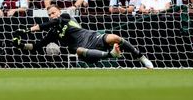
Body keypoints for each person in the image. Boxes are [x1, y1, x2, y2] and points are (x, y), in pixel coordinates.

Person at [13, 5, 154, 68]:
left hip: (91, 37)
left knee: (114, 38)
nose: (52, 16)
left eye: (53, 12)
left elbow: (51, 23)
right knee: (78, 50)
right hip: (82, 50)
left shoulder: (65, 17)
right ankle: (111, 55)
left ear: (59, 12)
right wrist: (21, 45)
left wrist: (27, 30)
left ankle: (140, 56)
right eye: (49, 14)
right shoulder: (53, 33)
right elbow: (38, 46)